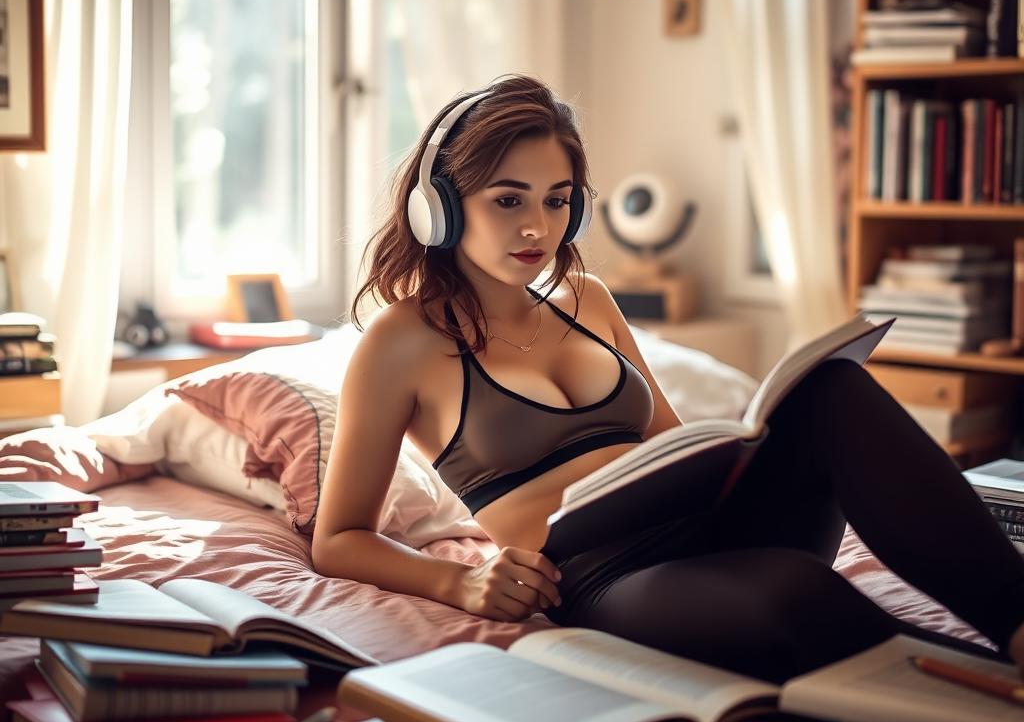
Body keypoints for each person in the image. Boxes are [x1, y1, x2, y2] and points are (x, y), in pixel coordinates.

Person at [312, 74, 1024, 684]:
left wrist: (752, 447)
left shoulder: (590, 300)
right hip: (609, 577)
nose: (538, 227)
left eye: (558, 200)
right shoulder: (400, 343)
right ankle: (967, 688)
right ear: (439, 206)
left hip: (714, 524)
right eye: (509, 200)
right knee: (792, 592)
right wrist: (459, 580)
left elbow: (681, 450)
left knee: (834, 393)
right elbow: (338, 537)